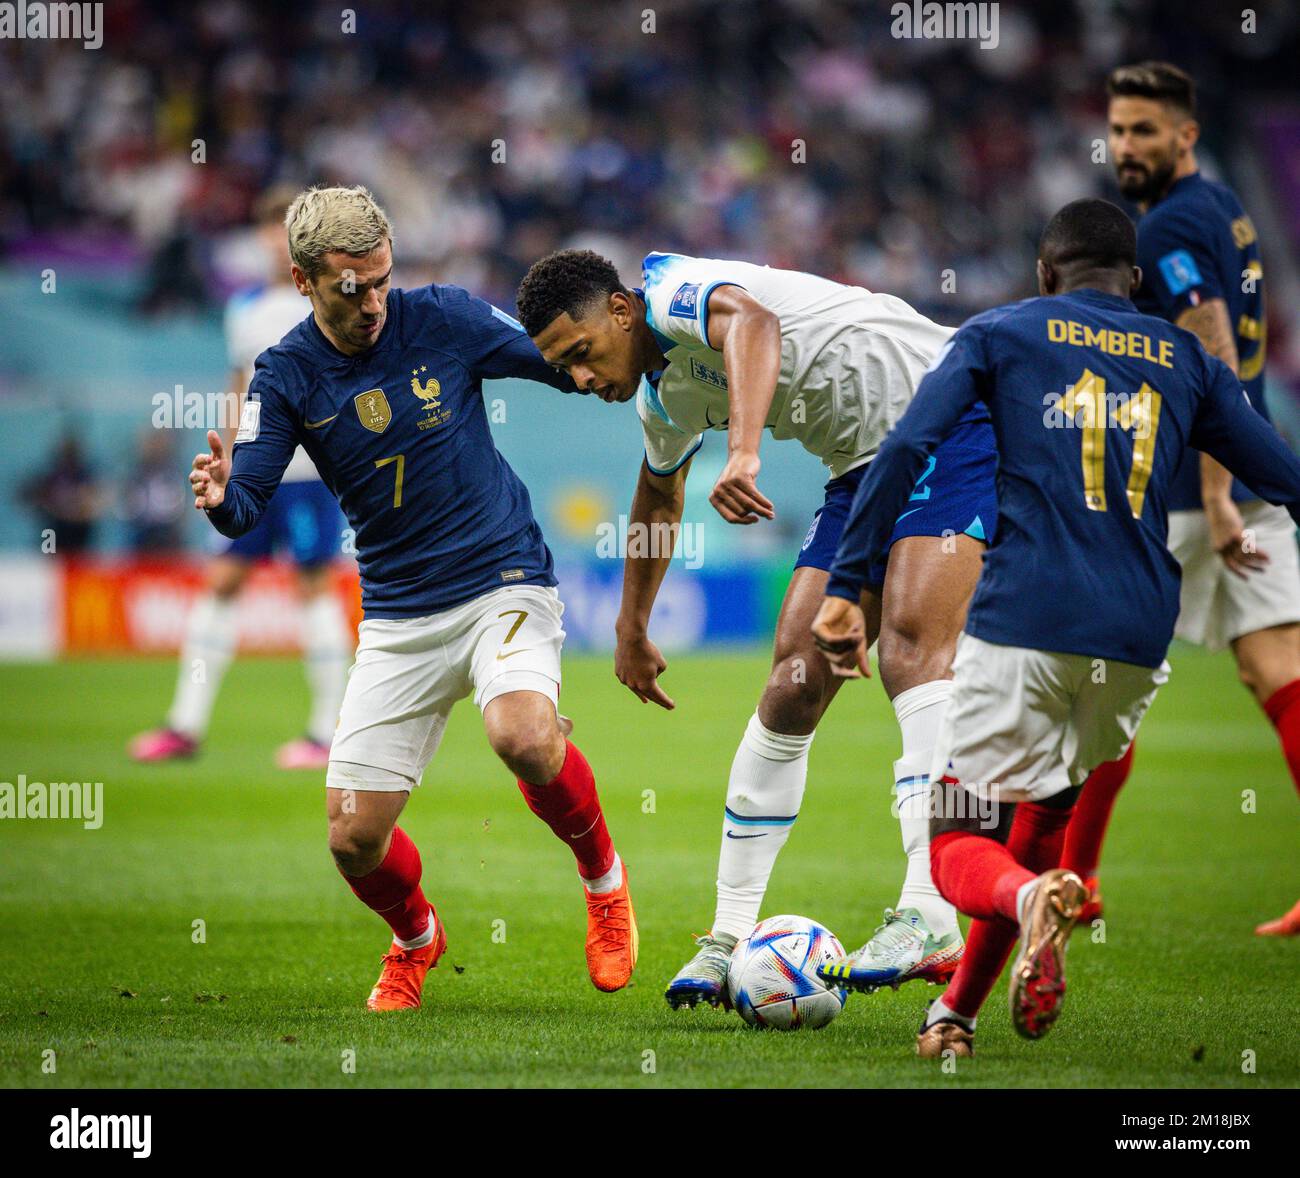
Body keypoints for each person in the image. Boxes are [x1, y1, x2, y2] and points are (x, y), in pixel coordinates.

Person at [813, 198, 1300, 1057]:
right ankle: (955, 1017)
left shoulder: (1000, 332)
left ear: (1046, 273)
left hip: (1023, 624)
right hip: (1138, 641)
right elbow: (1283, 474)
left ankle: (1030, 903)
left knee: (956, 835)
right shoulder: (1185, 353)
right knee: (1042, 821)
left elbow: (902, 452)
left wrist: (851, 583)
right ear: (1139, 282)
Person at [188, 185, 636, 1010]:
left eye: (381, 280)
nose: (371, 304)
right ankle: (416, 938)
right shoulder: (284, 375)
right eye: (348, 288)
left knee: (524, 738)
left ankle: (605, 884)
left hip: (502, 576)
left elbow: (560, 360)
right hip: (398, 614)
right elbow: (247, 502)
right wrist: (219, 497)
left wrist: (616, 357)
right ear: (302, 281)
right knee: (354, 838)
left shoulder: (445, 317)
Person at [516, 248, 1000, 1006]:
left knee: (910, 650)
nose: (580, 379)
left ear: (620, 310)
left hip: (956, 414)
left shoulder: (673, 289)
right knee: (792, 682)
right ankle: (729, 936)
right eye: (564, 370)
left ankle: (931, 913)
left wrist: (743, 452)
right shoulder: (661, 400)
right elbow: (658, 496)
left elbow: (754, 321)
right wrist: (632, 625)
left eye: (581, 354)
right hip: (865, 466)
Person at [1065, 61, 1300, 936]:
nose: (1125, 147)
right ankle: (1075, 880)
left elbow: (1206, 346)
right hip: (1251, 467)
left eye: (1144, 132)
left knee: (1106, 685)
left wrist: (1213, 487)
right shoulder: (1228, 206)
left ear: (1185, 136)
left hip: (1195, 492)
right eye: (1118, 130)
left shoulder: (1166, 226)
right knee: (1275, 671)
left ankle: (1073, 879)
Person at [131, 187, 353, 768]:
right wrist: (229, 460)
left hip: (308, 476)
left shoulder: (329, 303)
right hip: (253, 476)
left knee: (312, 587)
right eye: (267, 232)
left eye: (285, 233)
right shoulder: (245, 308)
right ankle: (185, 725)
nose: (274, 244)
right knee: (223, 580)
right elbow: (240, 390)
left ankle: (326, 732)